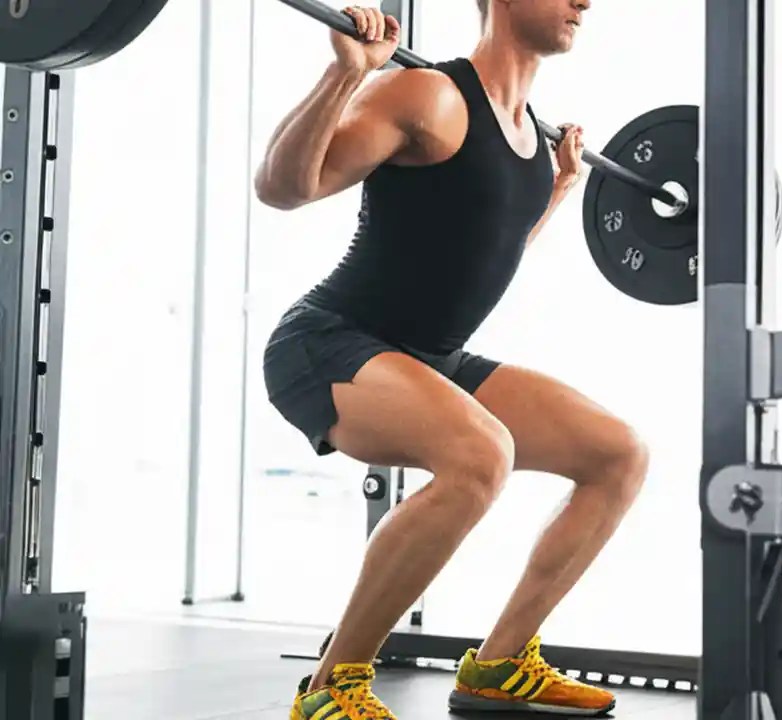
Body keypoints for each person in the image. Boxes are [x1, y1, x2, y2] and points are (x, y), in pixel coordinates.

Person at [255, 1, 647, 717]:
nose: (584, 0)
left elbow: (483, 254)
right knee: (480, 455)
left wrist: (555, 193)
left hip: (431, 357)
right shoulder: (428, 94)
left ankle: (498, 666)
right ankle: (330, 689)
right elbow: (283, 189)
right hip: (329, 342)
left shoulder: (532, 136)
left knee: (617, 454)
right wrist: (342, 78)